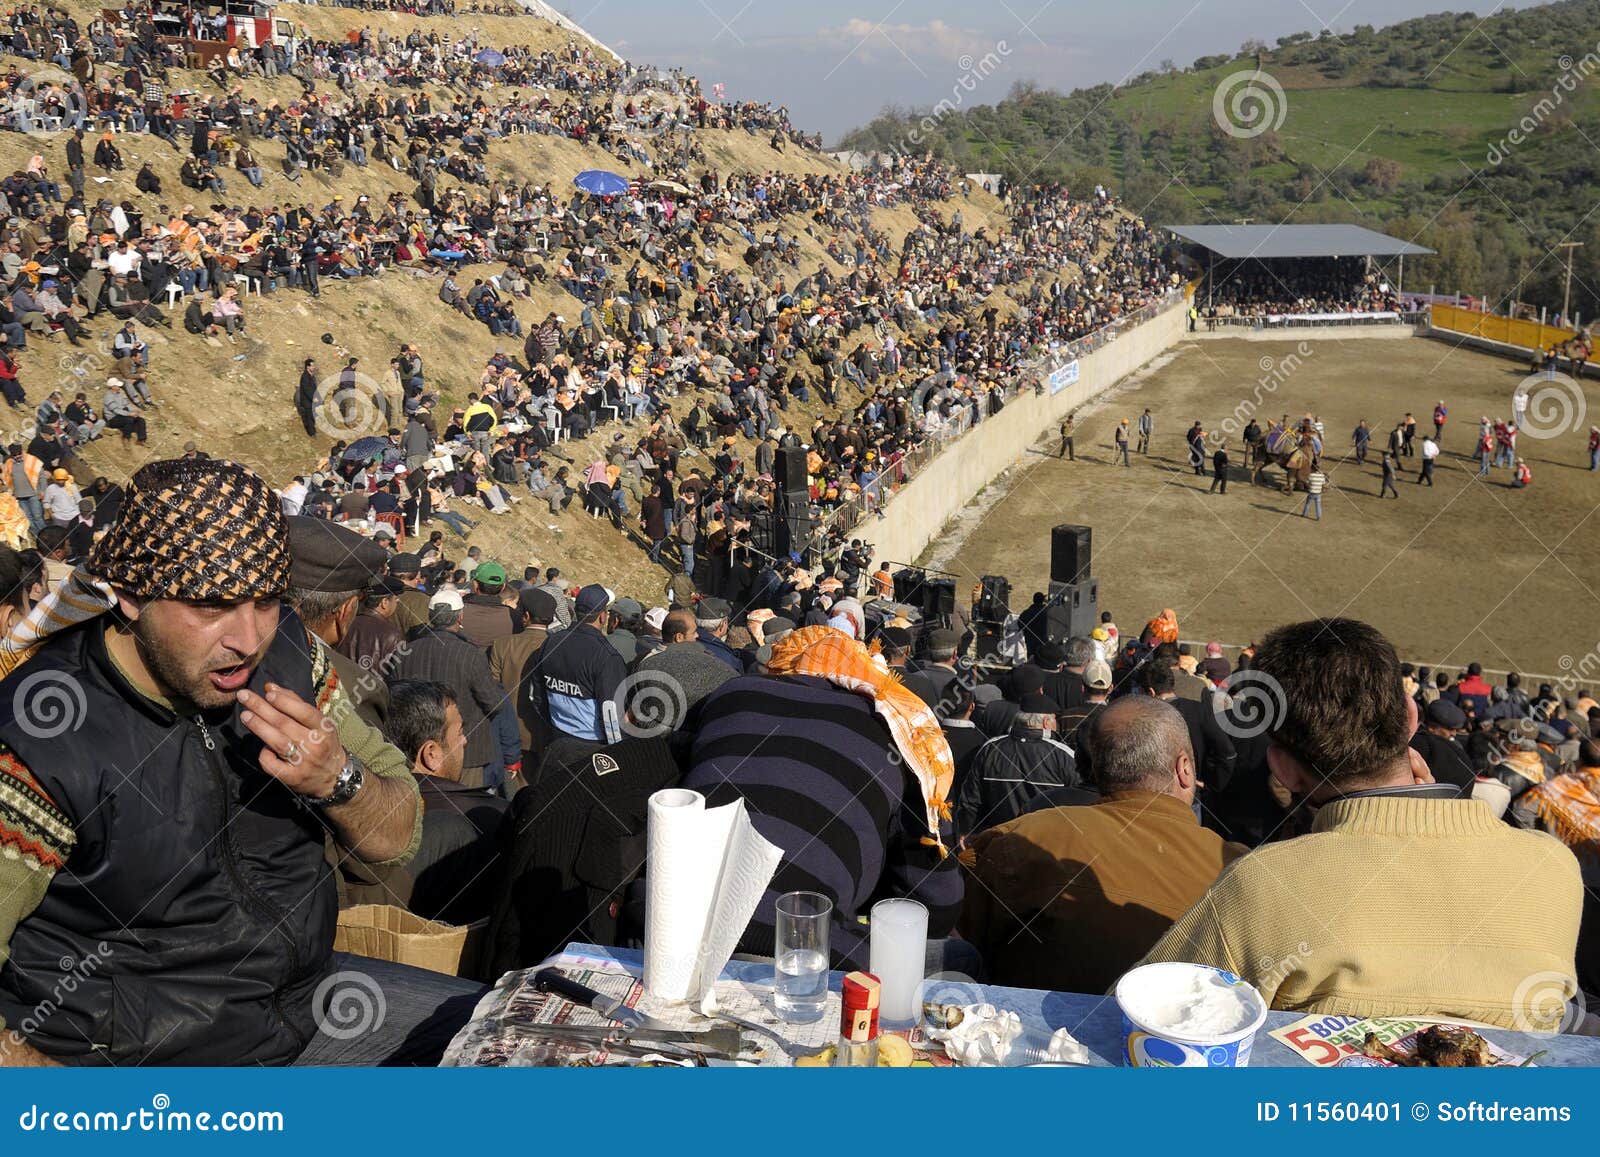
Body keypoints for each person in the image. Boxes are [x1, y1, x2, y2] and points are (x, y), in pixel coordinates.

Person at [0, 457, 488, 1067]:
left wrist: (339, 781)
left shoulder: (290, 651)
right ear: (128, 595)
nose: (247, 638)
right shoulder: (38, 742)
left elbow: (397, 835)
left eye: (264, 600)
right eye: (211, 606)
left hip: (309, 1005)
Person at [1139, 617, 1583, 1030]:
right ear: (1411, 718)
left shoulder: (1260, 882)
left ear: (1284, 769)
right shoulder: (1554, 867)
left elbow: (1137, 1018)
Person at [683, 625, 962, 969]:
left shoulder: (730, 693)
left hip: (672, 923)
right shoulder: (907, 736)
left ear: (783, 665)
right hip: (808, 944)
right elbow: (934, 904)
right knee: (963, 958)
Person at [962, 696, 1245, 994]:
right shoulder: (1237, 867)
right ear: (1184, 768)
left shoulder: (1026, 835)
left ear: (1098, 768)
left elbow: (968, 939)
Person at [381, 680, 508, 925]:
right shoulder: (495, 817)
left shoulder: (356, 809)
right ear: (431, 754)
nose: (465, 742)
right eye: (459, 733)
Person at [389, 588, 519, 792]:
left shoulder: (405, 652)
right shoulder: (470, 654)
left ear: (431, 617)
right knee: (466, 809)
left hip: (416, 751)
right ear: (460, 616)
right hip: (467, 753)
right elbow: (495, 703)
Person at [956, 693, 1079, 837]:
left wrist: (966, 831)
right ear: (1046, 722)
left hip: (998, 841)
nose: (1056, 725)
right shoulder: (1063, 755)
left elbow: (971, 800)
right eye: (1054, 719)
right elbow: (1078, 799)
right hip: (1046, 843)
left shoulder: (990, 748)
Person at [522, 584, 628, 746]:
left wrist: (552, 724)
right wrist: (616, 750)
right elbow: (612, 712)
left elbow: (536, 693)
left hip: (556, 737)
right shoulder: (607, 656)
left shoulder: (551, 641)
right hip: (592, 744)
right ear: (602, 616)